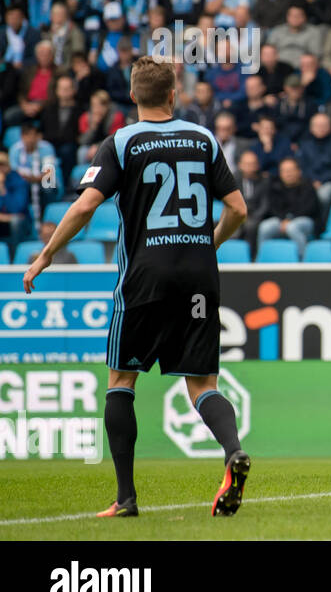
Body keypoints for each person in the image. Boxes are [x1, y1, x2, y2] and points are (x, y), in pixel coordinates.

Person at [23, 57, 250, 518]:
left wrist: (47, 253)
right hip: (199, 278)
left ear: (133, 96)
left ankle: (126, 498)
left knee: (121, 381)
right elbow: (238, 209)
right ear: (173, 94)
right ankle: (232, 451)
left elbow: (87, 207)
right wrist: (207, 242)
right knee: (202, 383)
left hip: (144, 275)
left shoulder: (121, 142)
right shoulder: (203, 138)